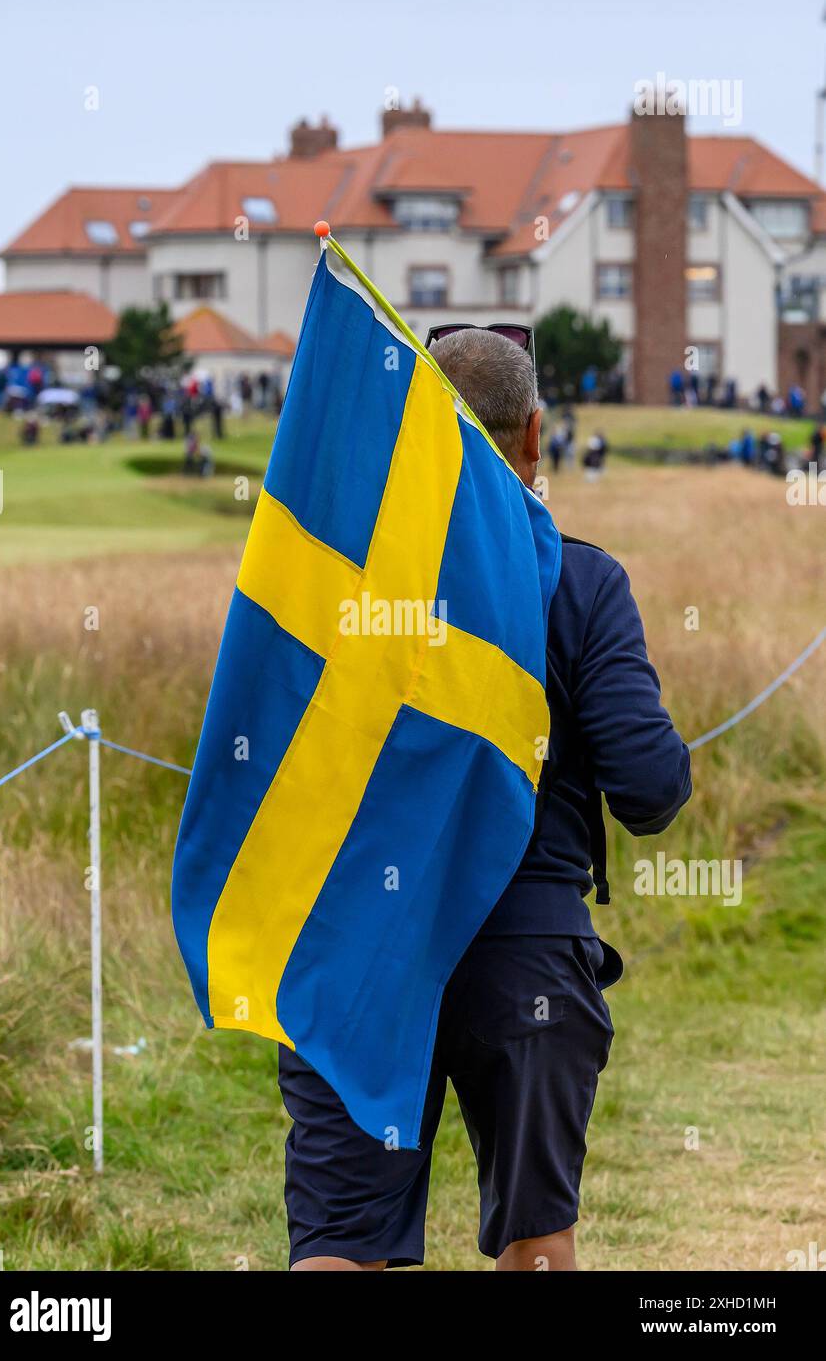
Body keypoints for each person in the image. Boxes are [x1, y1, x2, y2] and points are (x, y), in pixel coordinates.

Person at [278, 328, 692, 1272]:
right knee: (536, 1239)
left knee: (341, 1245)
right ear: (536, 434)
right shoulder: (585, 582)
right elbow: (650, 791)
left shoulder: (342, 581)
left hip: (359, 946)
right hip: (528, 954)